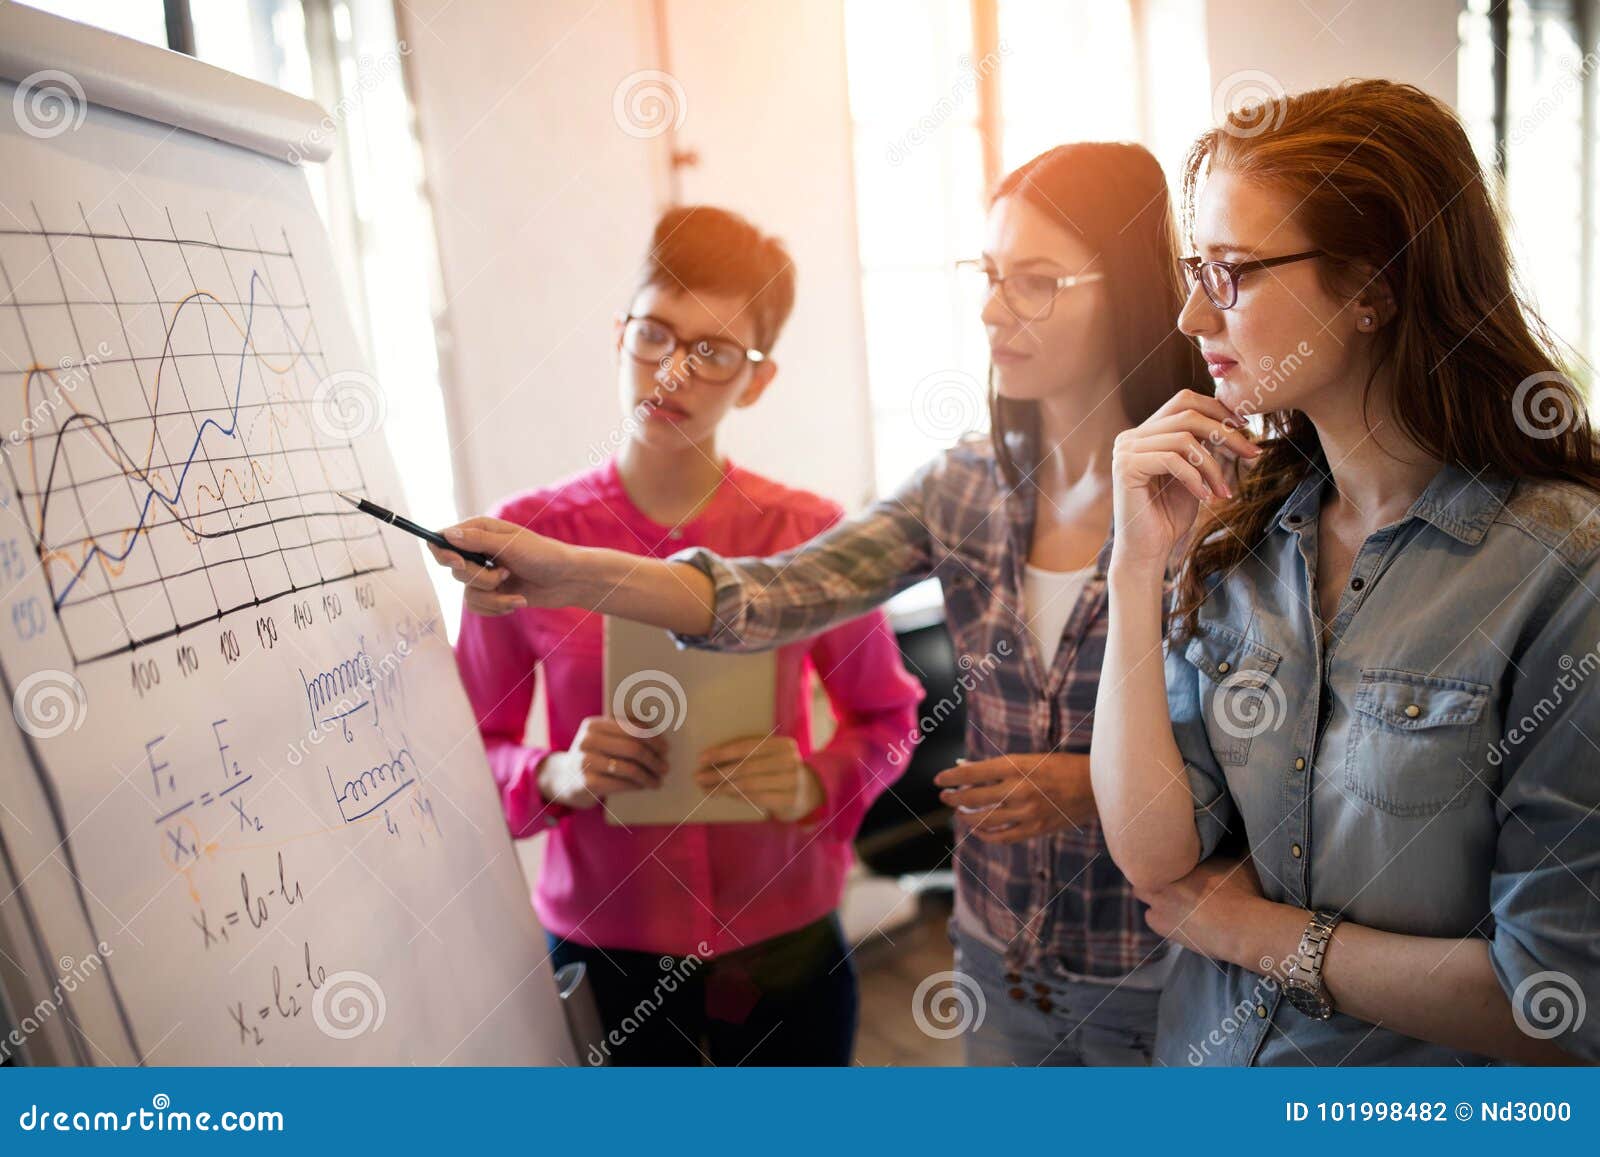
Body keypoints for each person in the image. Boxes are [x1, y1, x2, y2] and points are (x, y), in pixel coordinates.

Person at [431, 144, 1209, 1065]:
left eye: (1034, 280)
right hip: (992, 957)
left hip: (1163, 962)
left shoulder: (1209, 487)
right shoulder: (961, 487)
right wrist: (560, 598)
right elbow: (767, 595)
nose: (994, 307)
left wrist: (1097, 790)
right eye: (990, 275)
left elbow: (1272, 767)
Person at [1092, 79, 1600, 1065]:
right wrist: (1131, 568)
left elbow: (1558, 999)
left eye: (1232, 271)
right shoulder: (1237, 534)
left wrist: (1252, 933)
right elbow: (1156, 855)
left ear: (1374, 288)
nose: (1194, 312)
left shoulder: (1562, 568)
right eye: (1194, 268)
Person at [451, 205, 924, 1066]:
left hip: (787, 947)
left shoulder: (807, 532)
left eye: (712, 352)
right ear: (619, 332)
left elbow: (890, 720)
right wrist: (553, 772)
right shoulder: (529, 541)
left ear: (760, 379)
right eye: (654, 335)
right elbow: (465, 748)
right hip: (604, 947)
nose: (672, 372)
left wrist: (814, 781)